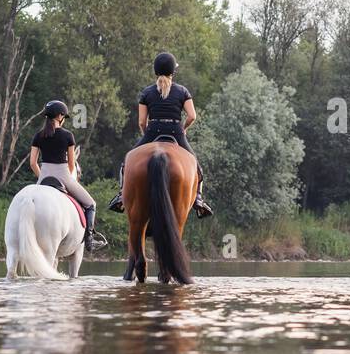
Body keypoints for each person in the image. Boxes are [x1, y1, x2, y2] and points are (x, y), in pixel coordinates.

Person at [107, 51, 213, 217]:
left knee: (126, 163)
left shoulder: (147, 93)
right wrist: (184, 128)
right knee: (197, 167)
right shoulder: (182, 91)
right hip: (176, 132)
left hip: (152, 131)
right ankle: (198, 199)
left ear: (155, 71)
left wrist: (146, 135)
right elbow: (192, 116)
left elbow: (142, 122)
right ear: (173, 71)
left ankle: (121, 195)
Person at [29, 100, 107, 251]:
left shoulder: (38, 136)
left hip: (43, 177)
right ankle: (89, 240)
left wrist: (42, 177)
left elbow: (33, 163)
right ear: (60, 116)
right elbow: (72, 164)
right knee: (91, 204)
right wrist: (69, 178)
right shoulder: (67, 135)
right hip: (63, 175)